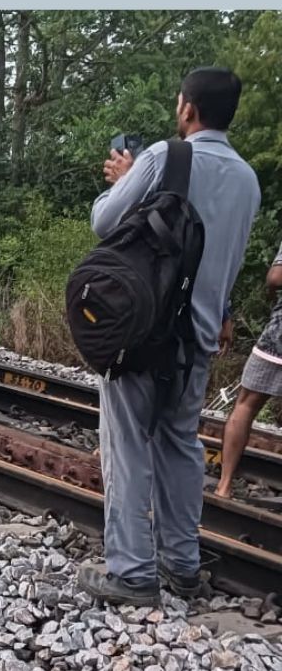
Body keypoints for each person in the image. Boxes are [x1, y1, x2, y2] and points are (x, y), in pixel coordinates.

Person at [78, 67, 261, 606]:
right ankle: (182, 566)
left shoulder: (164, 156)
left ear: (188, 109)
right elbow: (229, 260)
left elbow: (106, 224)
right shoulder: (248, 180)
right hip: (200, 338)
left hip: (143, 331)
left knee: (127, 444)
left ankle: (132, 573)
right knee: (181, 445)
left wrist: (123, 181)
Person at [215, 248, 282, 498]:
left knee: (245, 405)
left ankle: (224, 485)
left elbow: (275, 277)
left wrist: (271, 291)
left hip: (278, 338)